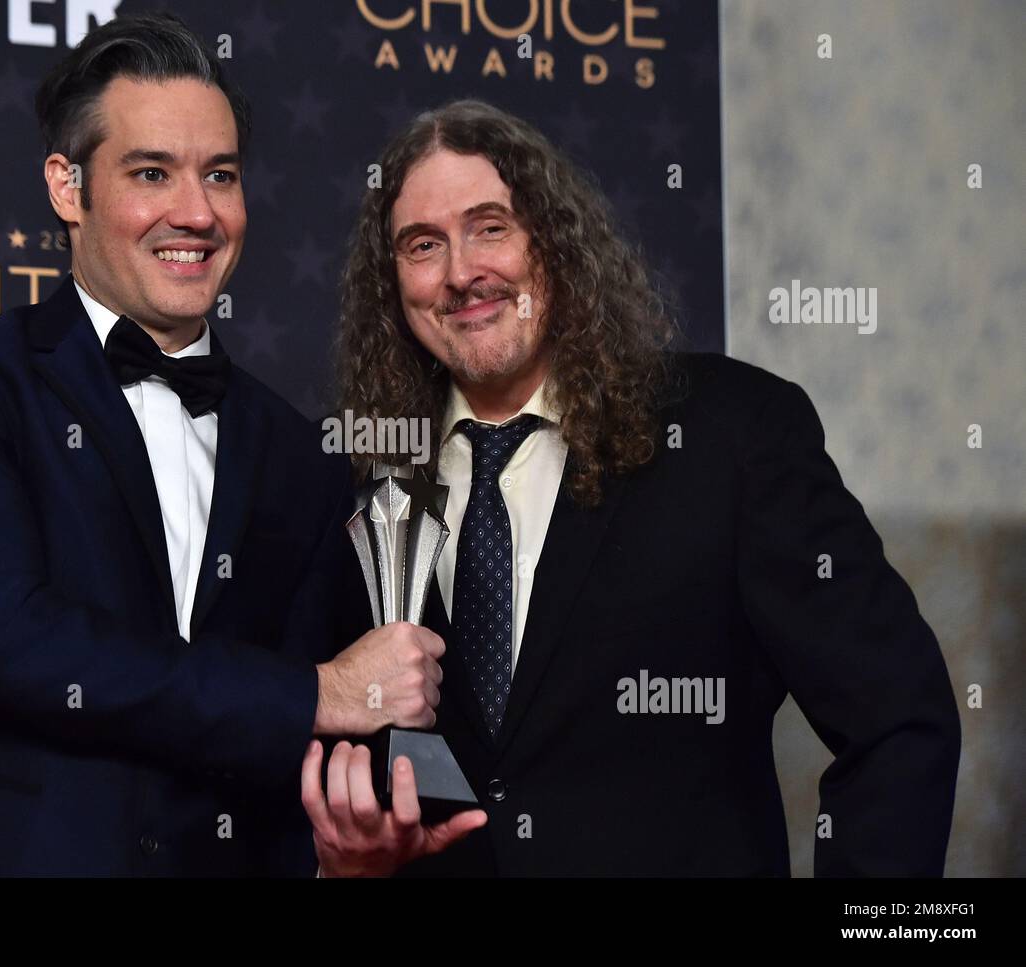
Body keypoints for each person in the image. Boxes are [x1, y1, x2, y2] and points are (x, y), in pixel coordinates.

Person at [0, 12, 446, 877]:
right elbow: (5, 640)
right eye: (151, 172)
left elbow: (279, 772)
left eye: (221, 175)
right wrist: (320, 691)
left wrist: (347, 852)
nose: (196, 213)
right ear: (67, 187)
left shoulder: (301, 455)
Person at [303, 99, 961, 876]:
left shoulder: (734, 432)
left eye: (491, 226)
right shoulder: (353, 486)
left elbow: (898, 717)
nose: (461, 272)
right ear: (392, 286)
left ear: (554, 238)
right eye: (423, 245)